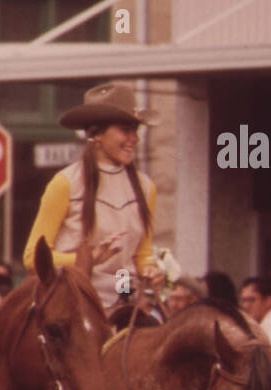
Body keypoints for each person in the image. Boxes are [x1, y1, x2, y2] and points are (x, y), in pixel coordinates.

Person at [21, 82, 164, 314]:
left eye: (135, 130)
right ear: (97, 134)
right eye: (125, 130)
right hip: (73, 304)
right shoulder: (66, 183)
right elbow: (32, 258)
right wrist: (86, 258)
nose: (134, 139)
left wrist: (150, 270)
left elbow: (141, 255)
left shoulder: (146, 188)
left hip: (125, 299)